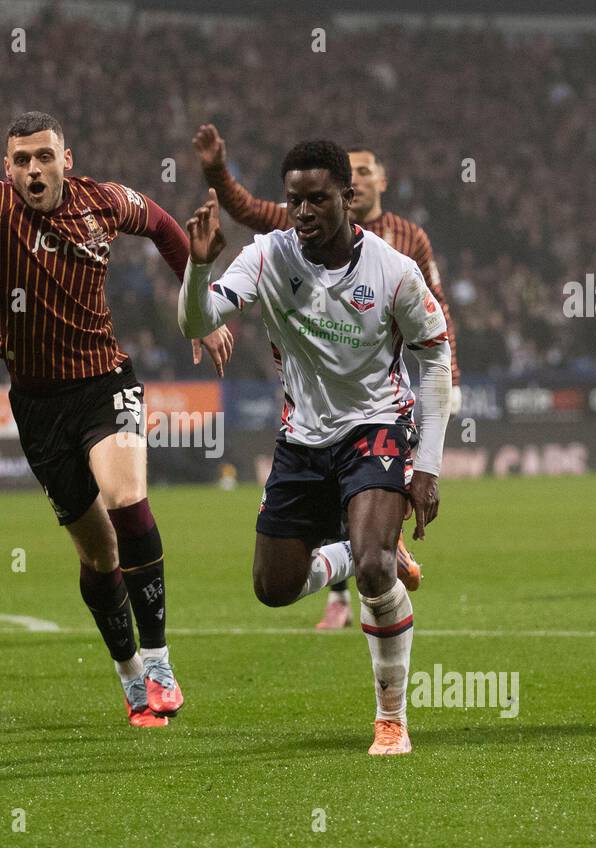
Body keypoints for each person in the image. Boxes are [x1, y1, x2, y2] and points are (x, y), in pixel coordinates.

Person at [0, 5, 234, 726]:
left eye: (44, 156)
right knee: (96, 557)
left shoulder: (101, 201)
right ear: (8, 168)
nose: (33, 169)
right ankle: (129, 674)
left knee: (127, 501)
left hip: (105, 382)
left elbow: (161, 224)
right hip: (36, 406)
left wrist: (204, 302)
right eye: (21, 159)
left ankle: (159, 662)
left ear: (67, 158)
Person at [178, 142, 452, 755]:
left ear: (346, 199)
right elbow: (196, 324)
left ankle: (391, 720)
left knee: (380, 569)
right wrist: (198, 270)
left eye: (317, 199)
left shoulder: (393, 269)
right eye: (293, 199)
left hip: (377, 425)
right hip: (301, 440)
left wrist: (426, 466)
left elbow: (435, 353)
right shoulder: (267, 256)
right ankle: (360, 551)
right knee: (273, 587)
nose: (302, 211)